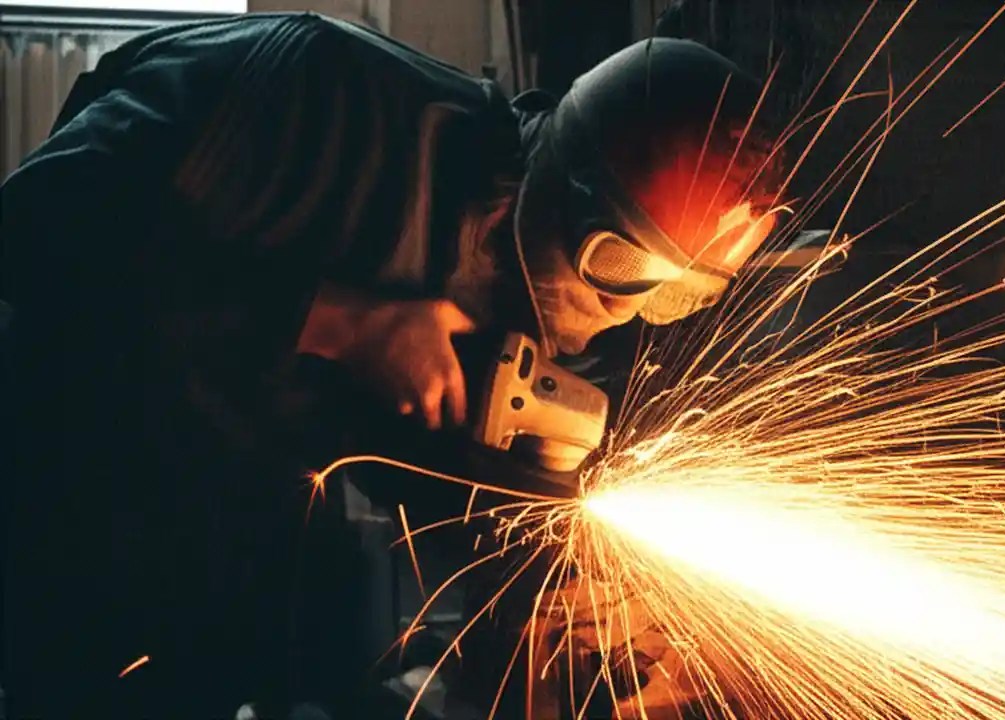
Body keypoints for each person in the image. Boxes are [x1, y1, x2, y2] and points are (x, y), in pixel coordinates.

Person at [0, 11, 782, 719]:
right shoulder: (309, 93)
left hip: (218, 537)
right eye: (619, 270)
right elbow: (33, 224)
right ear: (564, 189)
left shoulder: (538, 309)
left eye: (671, 296)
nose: (618, 314)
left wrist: (568, 596)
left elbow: (481, 530)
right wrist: (338, 322)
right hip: (58, 475)